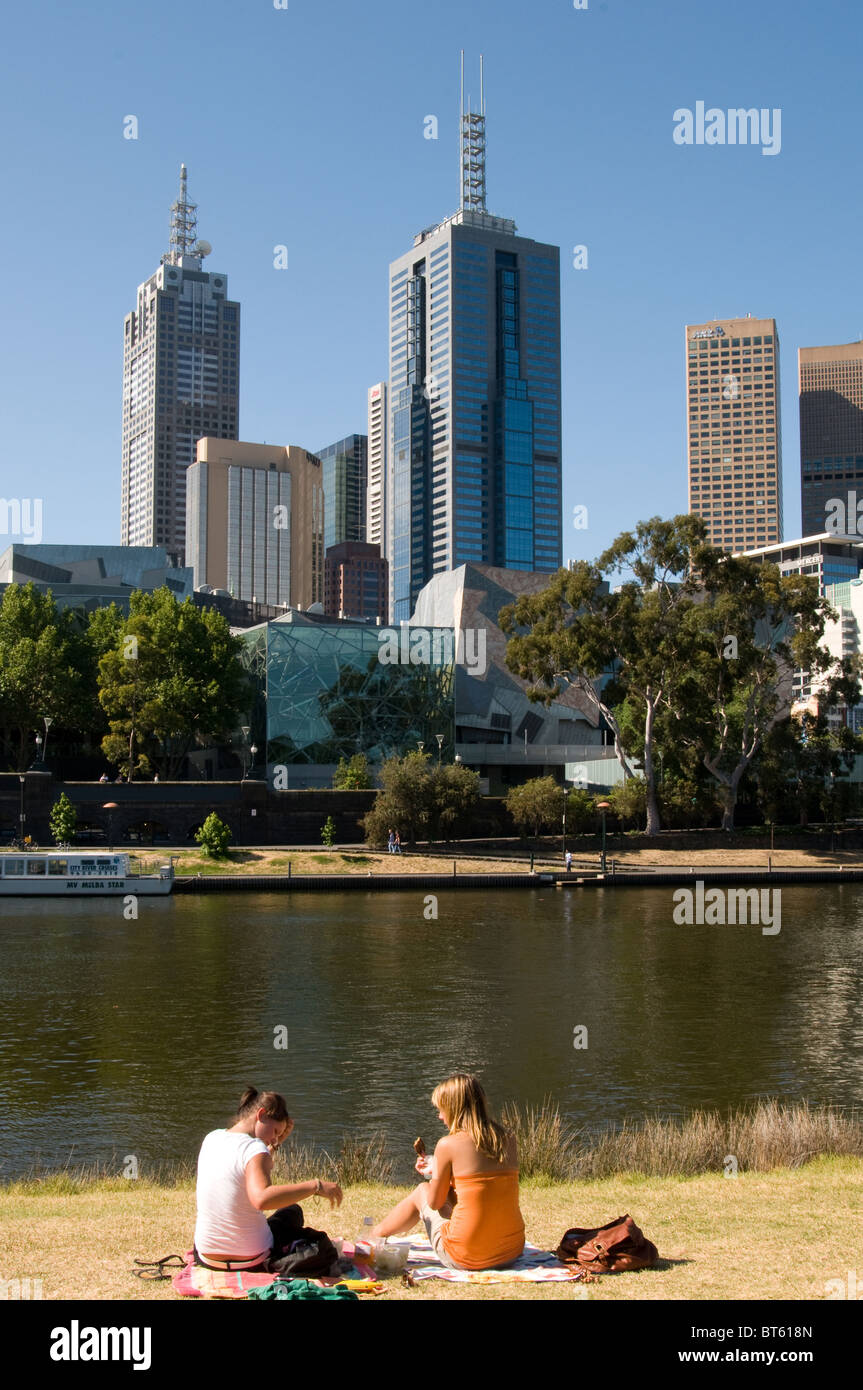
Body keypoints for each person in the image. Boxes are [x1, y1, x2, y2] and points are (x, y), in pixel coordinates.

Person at [371, 1074, 525, 1271]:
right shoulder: (508, 1139)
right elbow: (481, 1187)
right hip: (510, 1252)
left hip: (465, 1256)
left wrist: (435, 1175)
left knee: (421, 1190)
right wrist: (439, 1171)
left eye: (441, 1110)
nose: (440, 1116)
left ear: (454, 1109)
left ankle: (372, 1237)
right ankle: (375, 1236)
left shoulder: (447, 1144)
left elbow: (435, 1203)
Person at [193, 1086, 343, 1272]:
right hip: (251, 1258)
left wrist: (275, 1144)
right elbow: (262, 1198)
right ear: (261, 1114)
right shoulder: (254, 1148)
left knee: (291, 1211)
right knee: (300, 1221)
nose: (274, 1139)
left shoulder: (212, 1138)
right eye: (275, 1132)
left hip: (207, 1256)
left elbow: (245, 1167)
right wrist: (315, 1186)